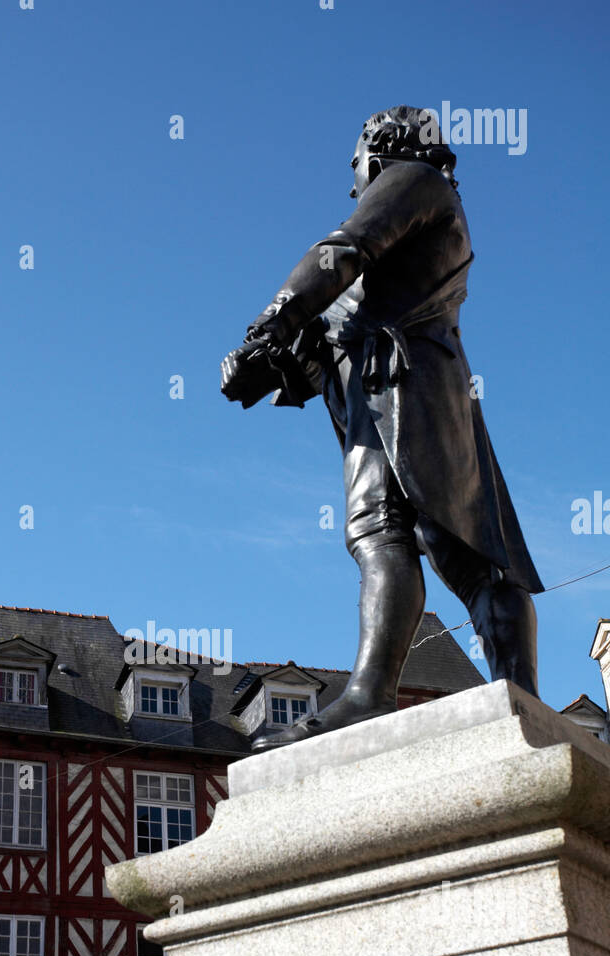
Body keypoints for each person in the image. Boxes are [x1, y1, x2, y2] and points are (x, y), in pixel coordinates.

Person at [221, 105, 542, 753]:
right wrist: (271, 360)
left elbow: (341, 250)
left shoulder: (416, 180)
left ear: (382, 147)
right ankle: (441, 698)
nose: (353, 184)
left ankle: (484, 700)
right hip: (384, 391)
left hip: (409, 382)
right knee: (406, 540)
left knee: (443, 547)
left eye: (356, 164)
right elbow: (336, 327)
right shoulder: (409, 219)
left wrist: (271, 322)